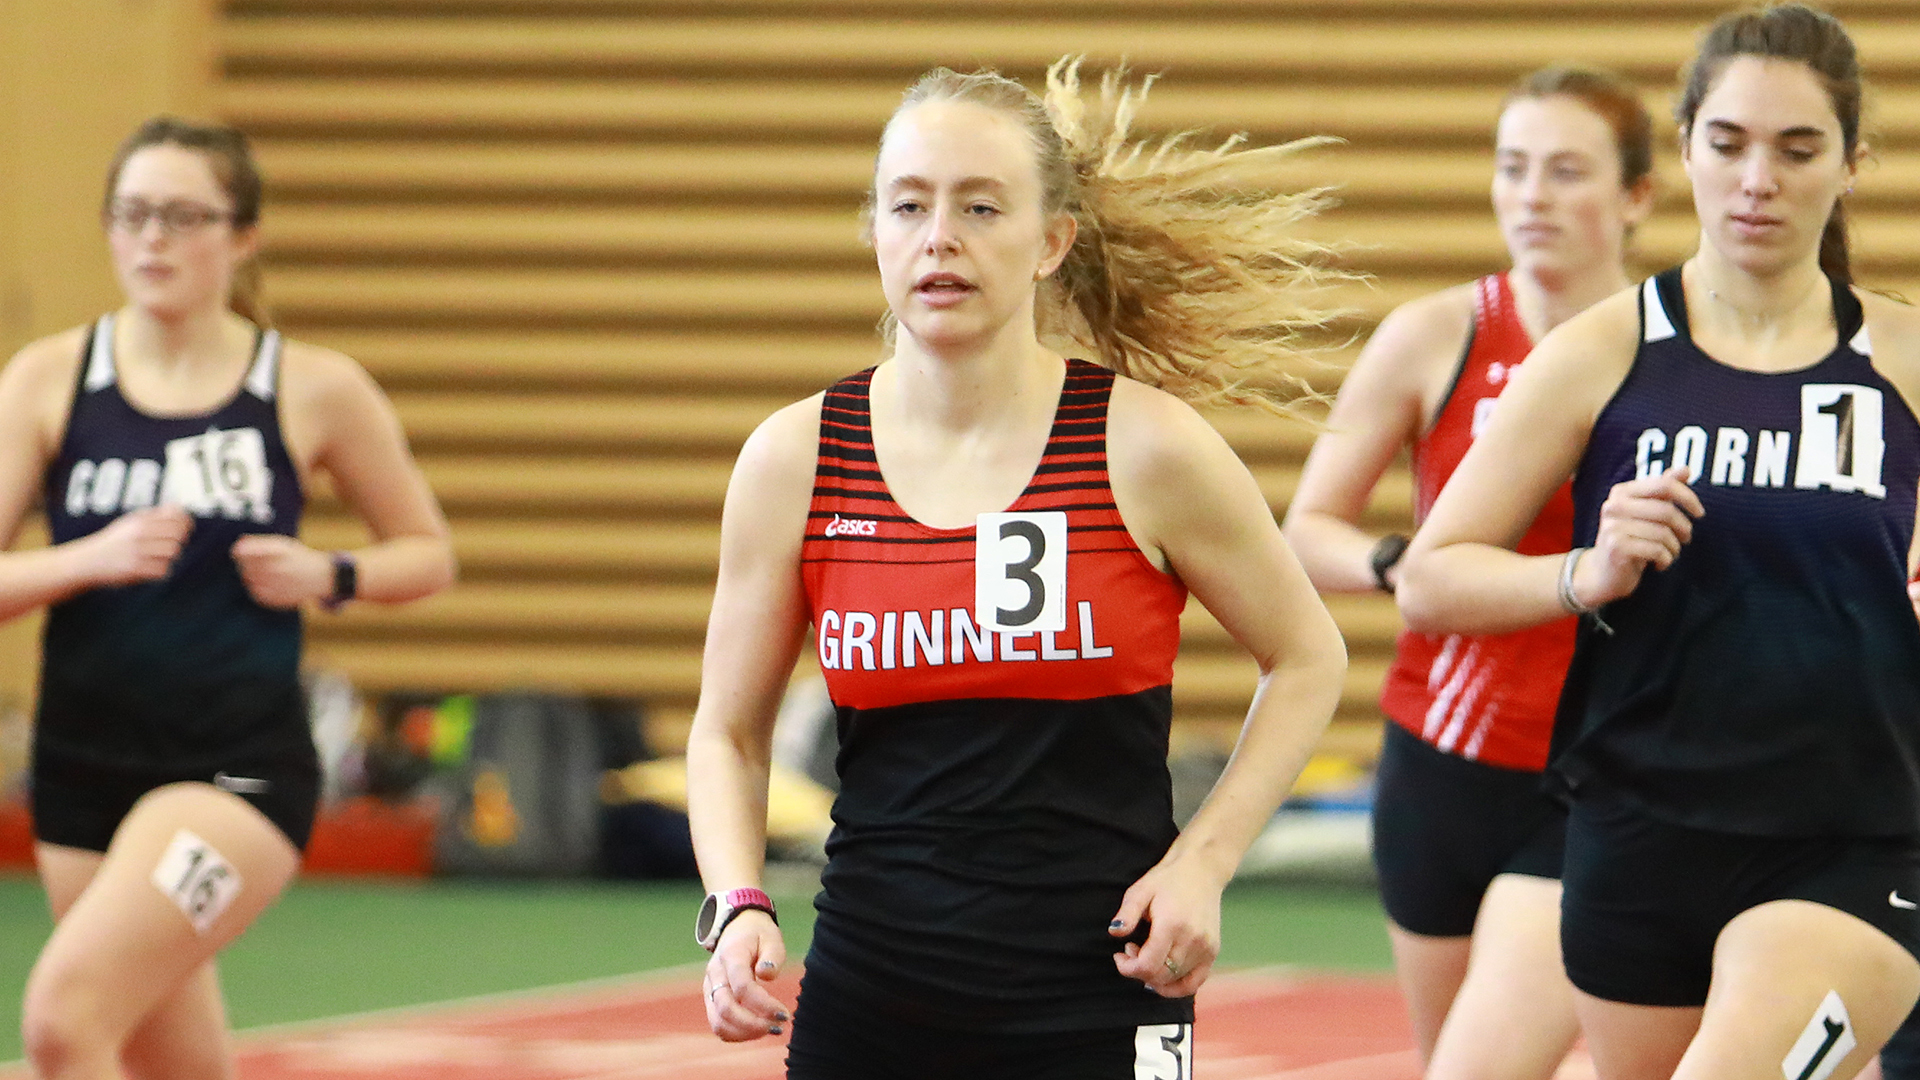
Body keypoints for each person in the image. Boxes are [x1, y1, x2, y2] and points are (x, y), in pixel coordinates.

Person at [685, 61, 1348, 1078]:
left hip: (1102, 986)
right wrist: (734, 905)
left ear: (1050, 243)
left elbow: (1308, 657)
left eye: (980, 207)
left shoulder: (1146, 447)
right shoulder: (797, 458)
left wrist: (1204, 863)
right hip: (875, 989)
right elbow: (729, 731)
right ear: (874, 230)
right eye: (908, 205)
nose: (938, 237)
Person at [1398, 7, 1920, 1079]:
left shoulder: (1902, 355)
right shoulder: (1605, 351)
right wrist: (1582, 573)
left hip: (1856, 842)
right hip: (1639, 842)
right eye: (1727, 144)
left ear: (1854, 162)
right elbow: (1431, 579)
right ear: (1685, 150)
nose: (1757, 180)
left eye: (1798, 148)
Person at [8, 117, 455, 1079]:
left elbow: (427, 554)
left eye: (182, 215)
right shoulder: (50, 380)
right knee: (167, 1059)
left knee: (62, 1016)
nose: (153, 238)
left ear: (242, 234)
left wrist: (330, 574)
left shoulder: (307, 386)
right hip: (81, 771)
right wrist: (85, 558)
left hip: (234, 777)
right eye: (132, 214)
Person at [1283, 65, 1653, 1080]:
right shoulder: (1436, 336)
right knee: (1452, 1059)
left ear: (1635, 197)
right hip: (1439, 762)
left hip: (1603, 769)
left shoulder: (1675, 354)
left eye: (1566, 171)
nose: (1532, 195)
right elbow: (1307, 527)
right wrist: (1410, 567)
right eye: (1513, 167)